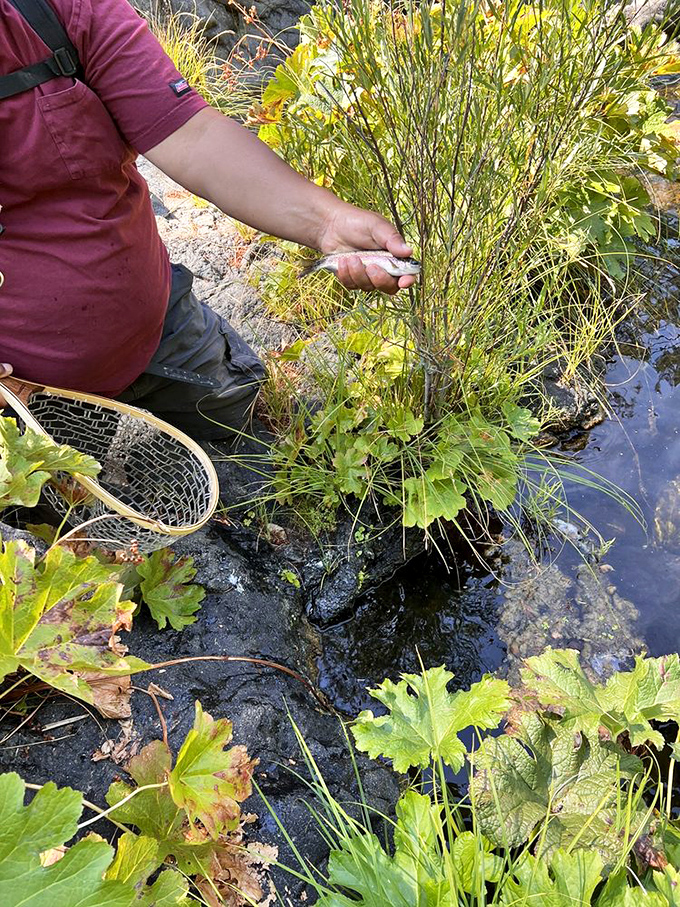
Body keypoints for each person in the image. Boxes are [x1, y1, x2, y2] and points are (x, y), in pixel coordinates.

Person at [0, 0, 416, 439]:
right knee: (61, 483)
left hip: (157, 329)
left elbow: (192, 136)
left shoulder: (58, 8)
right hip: (23, 389)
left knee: (248, 415)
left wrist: (327, 222)